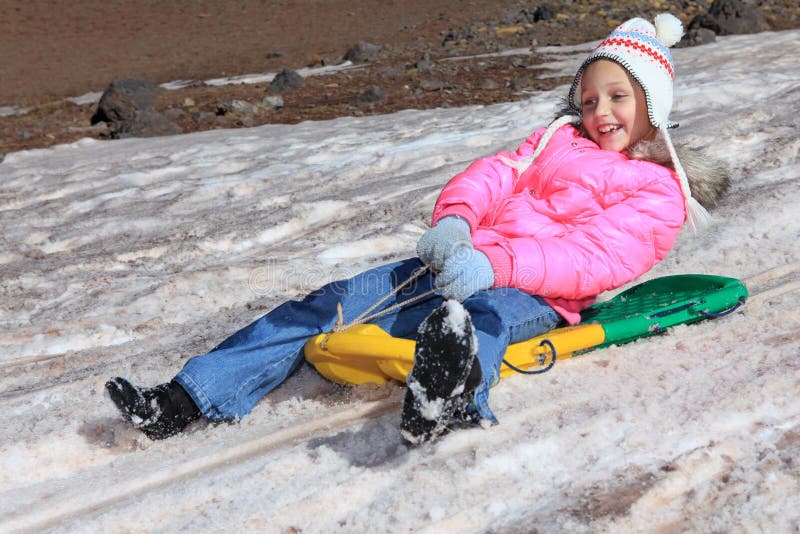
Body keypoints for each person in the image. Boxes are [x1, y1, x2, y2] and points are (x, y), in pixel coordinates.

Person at [106, 14, 728, 444]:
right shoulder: (554, 141)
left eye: (617, 97)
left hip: (535, 293)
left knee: (480, 322)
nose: (599, 112)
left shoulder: (657, 189)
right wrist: (455, 223)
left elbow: (596, 258)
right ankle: (185, 400)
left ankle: (450, 400)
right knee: (326, 304)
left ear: (653, 105)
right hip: (460, 264)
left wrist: (498, 267)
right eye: (589, 99)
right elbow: (491, 175)